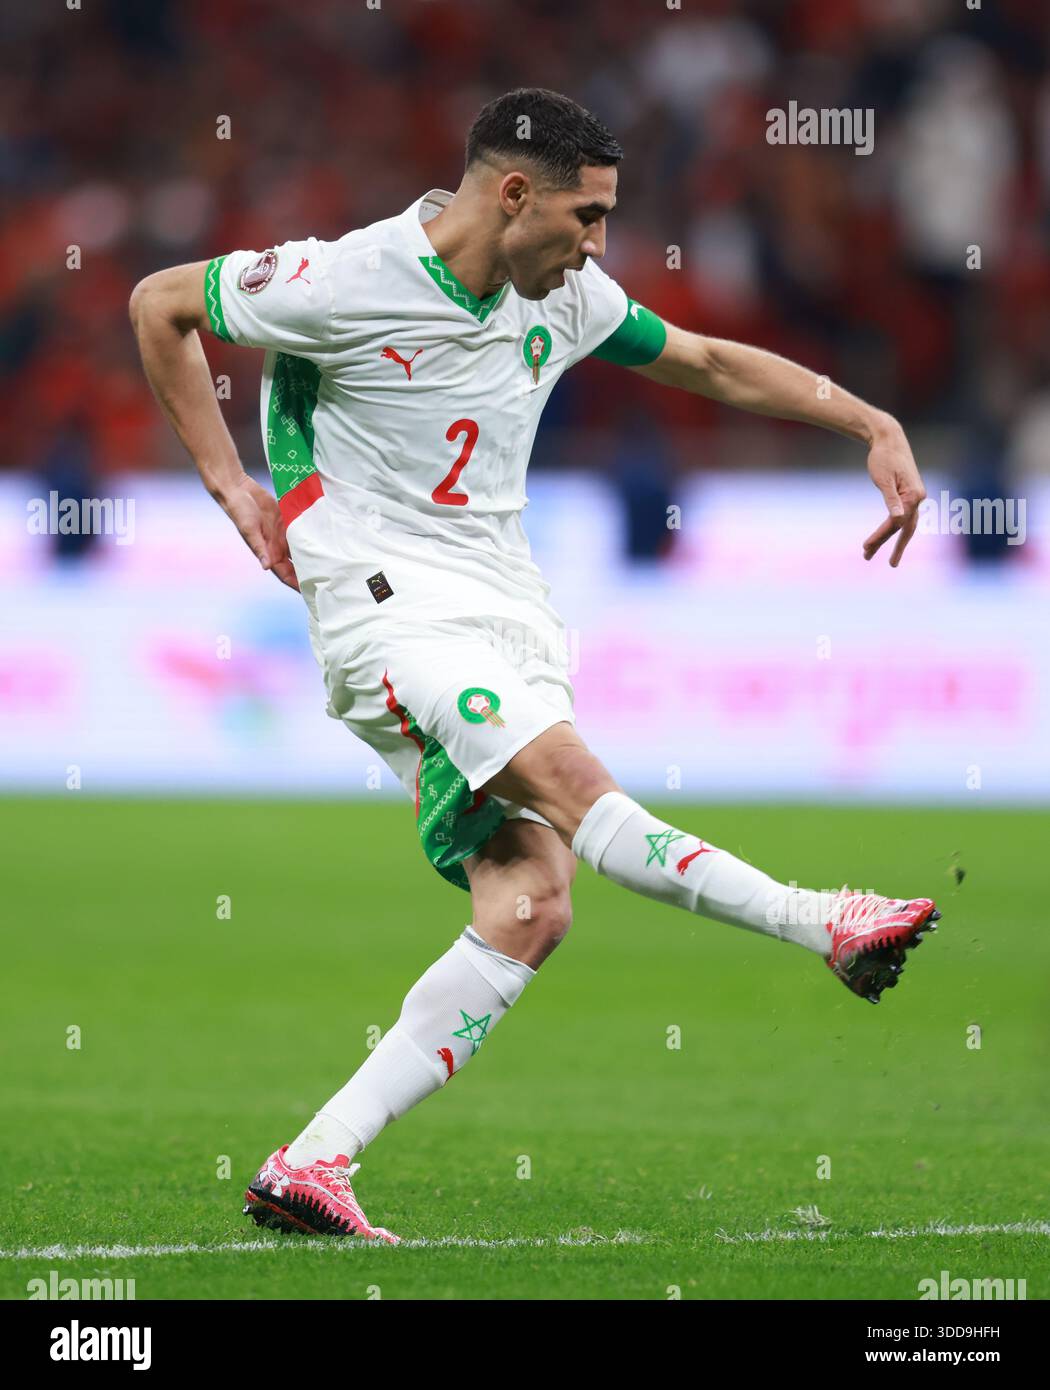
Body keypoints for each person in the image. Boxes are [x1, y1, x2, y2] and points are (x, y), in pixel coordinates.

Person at [130, 87, 940, 1245]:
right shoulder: (344, 279)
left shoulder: (559, 294)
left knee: (531, 902)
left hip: (509, 613)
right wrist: (232, 487)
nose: (600, 244)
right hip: (389, 614)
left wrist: (869, 421)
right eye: (588, 215)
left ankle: (313, 1162)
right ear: (514, 194)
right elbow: (159, 304)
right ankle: (827, 921)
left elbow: (707, 362)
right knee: (577, 785)